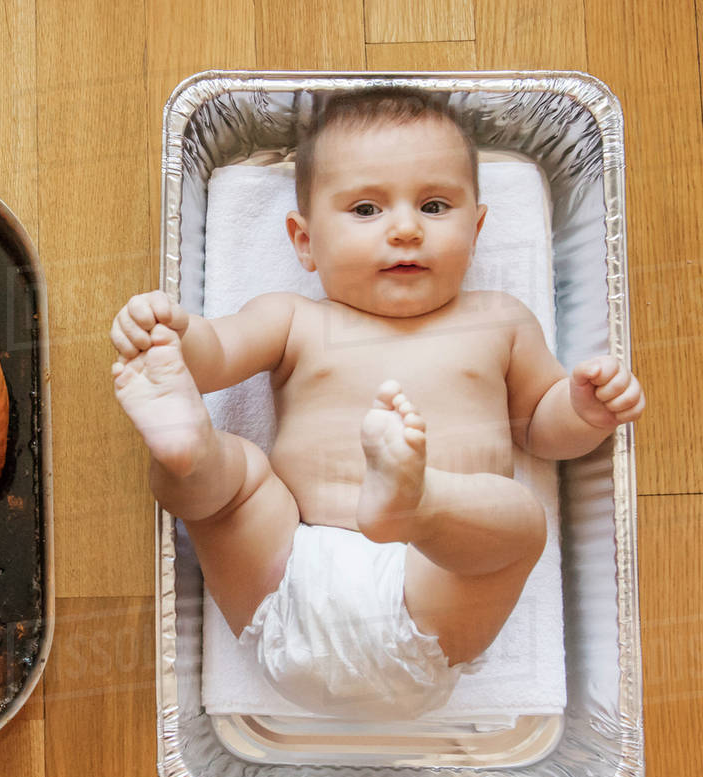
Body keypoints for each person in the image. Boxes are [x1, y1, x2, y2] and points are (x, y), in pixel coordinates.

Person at [110, 89, 645, 716]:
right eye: (366, 209)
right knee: (233, 481)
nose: (406, 228)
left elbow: (539, 428)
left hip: (431, 597)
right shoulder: (295, 319)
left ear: (476, 229)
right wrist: (174, 335)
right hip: (287, 570)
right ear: (305, 242)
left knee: (518, 521)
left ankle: (421, 504)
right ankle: (188, 452)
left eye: (435, 206)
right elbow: (217, 354)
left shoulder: (499, 321)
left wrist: (583, 410)